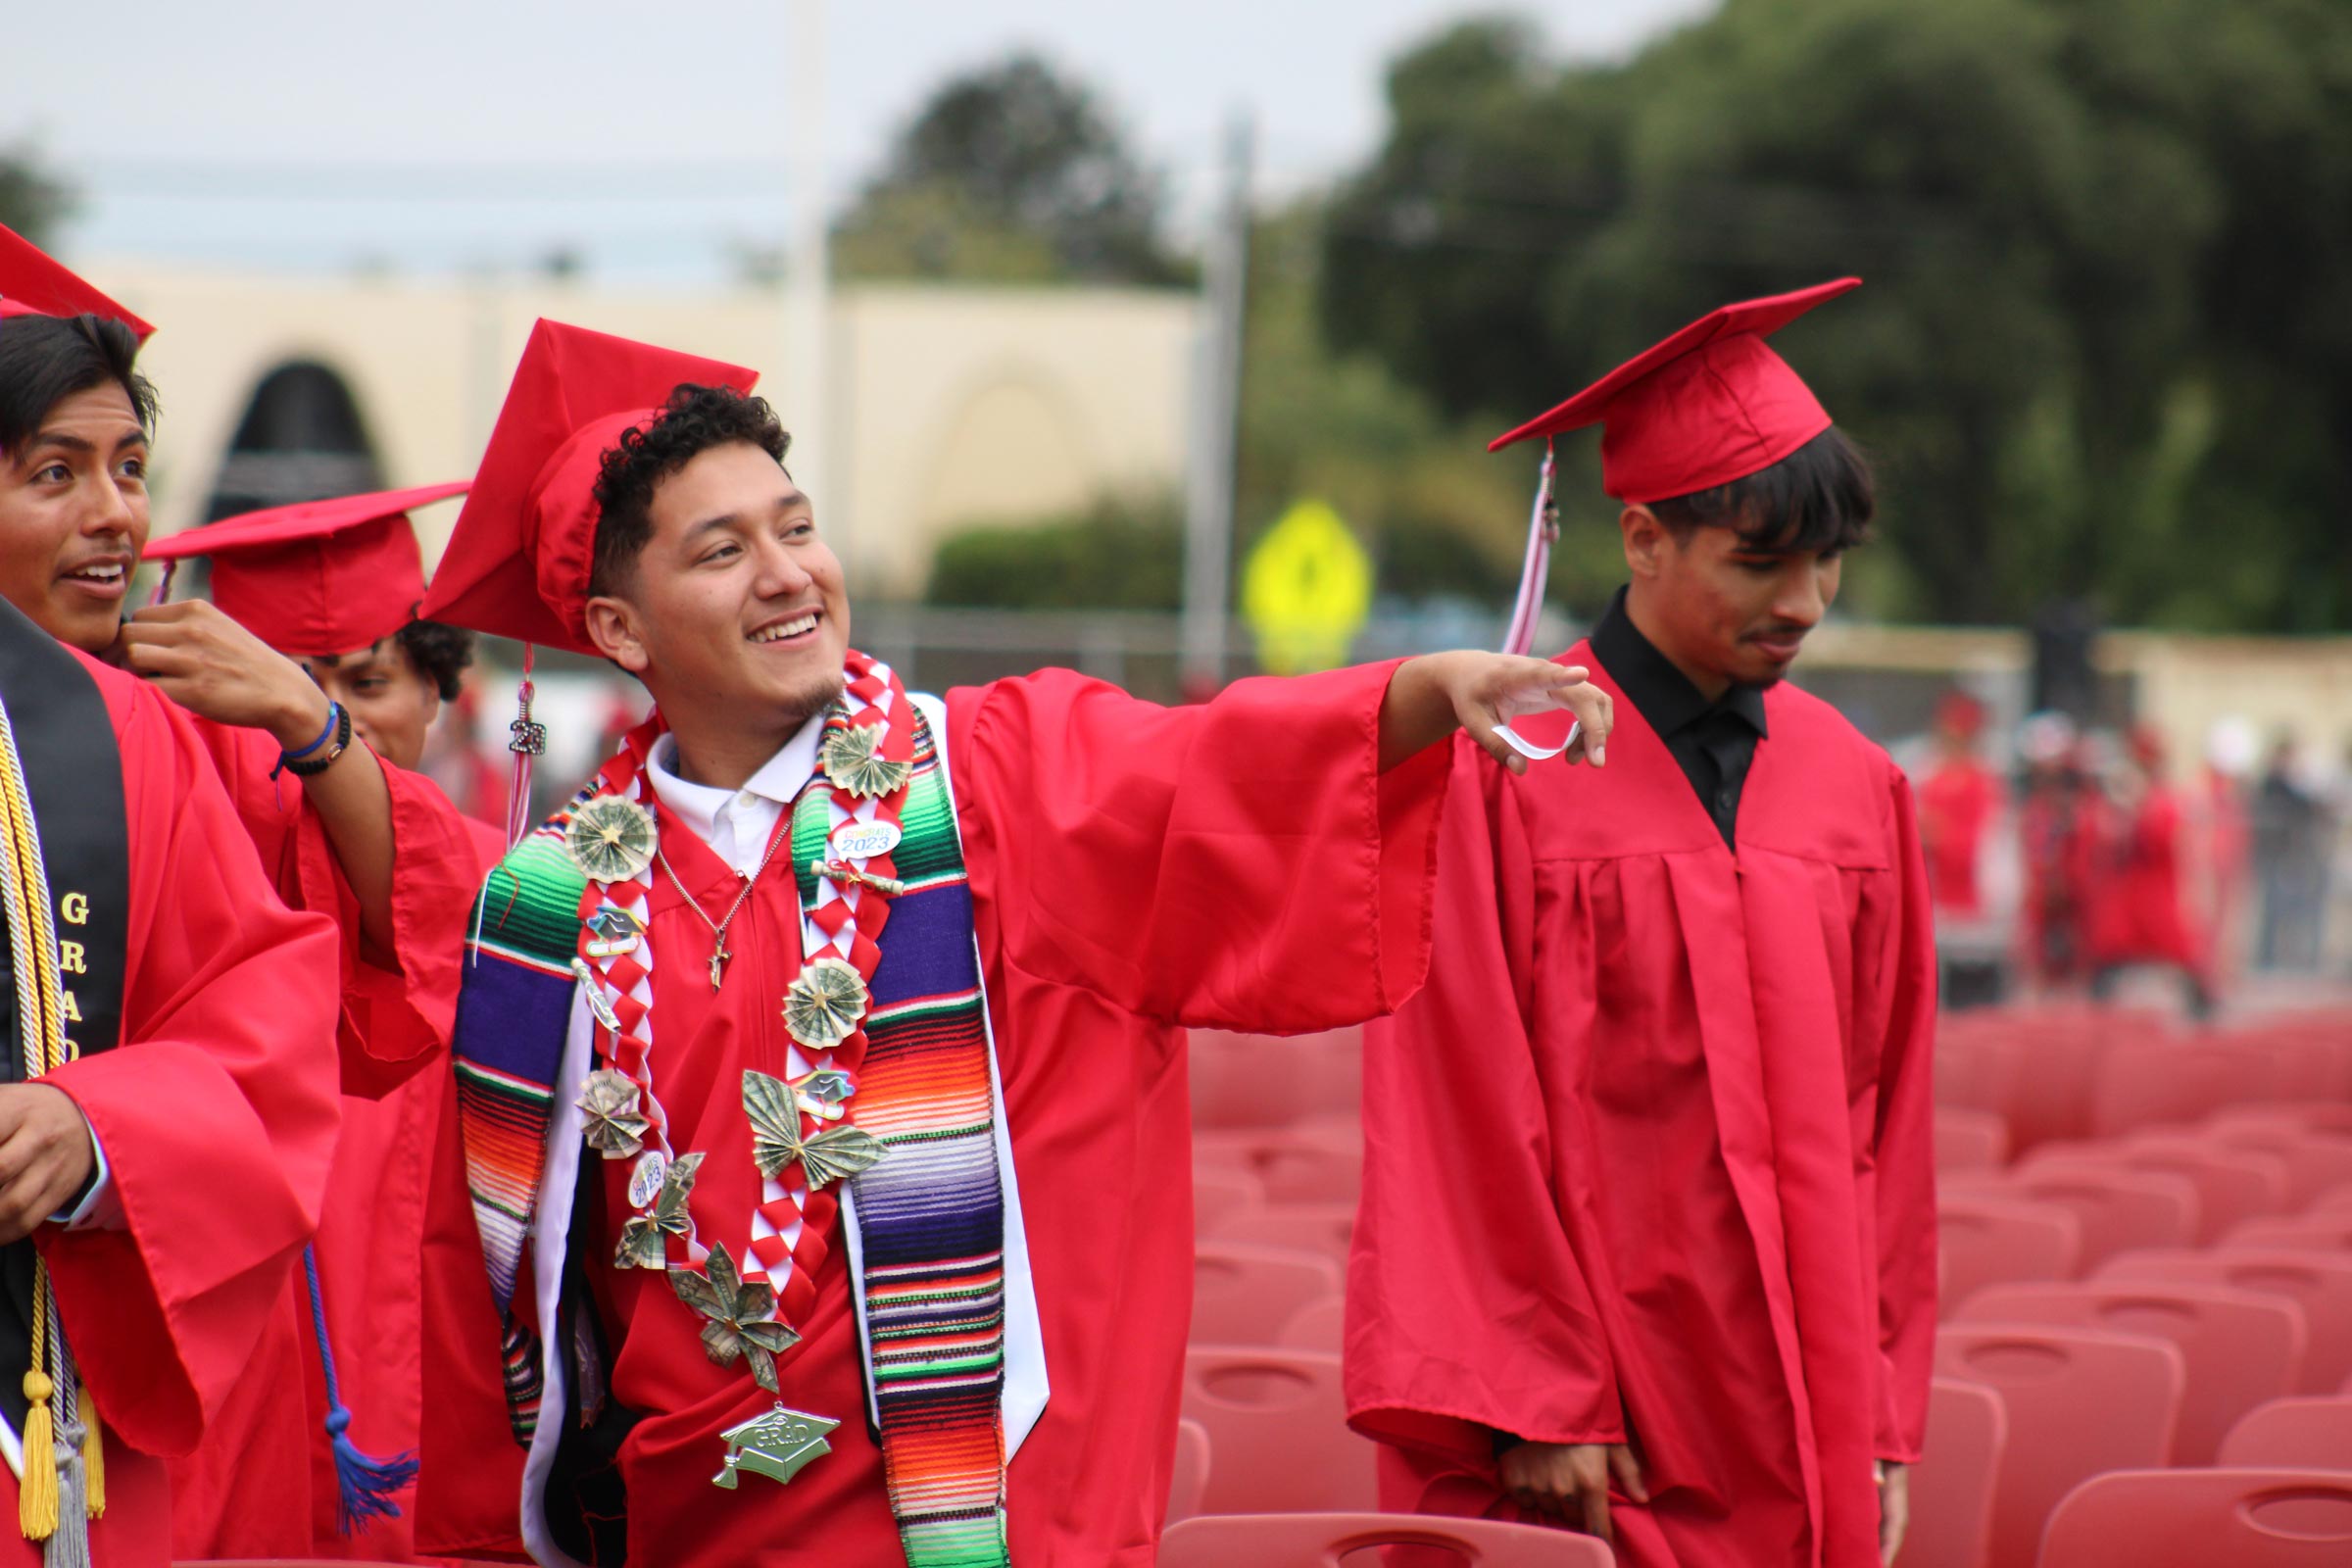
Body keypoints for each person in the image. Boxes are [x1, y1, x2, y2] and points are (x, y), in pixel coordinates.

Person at [408, 318, 1614, 1568]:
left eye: (798, 528)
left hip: (983, 1522)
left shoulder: (991, 784)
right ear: (620, 631)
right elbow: (487, 1291)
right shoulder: (546, 911)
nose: (787, 574)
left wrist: (1420, 694)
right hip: (685, 1526)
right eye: (724, 550)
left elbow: (1208, 772)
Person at [1347, 279, 1937, 1568]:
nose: (1806, 601)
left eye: (1827, 560)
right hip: (1603, 1421)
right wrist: (1530, 1394)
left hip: (1810, 1393)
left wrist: (1884, 1412)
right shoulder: (1506, 770)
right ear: (1644, 537)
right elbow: (1452, 1103)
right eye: (1760, 562)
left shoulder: (1856, 786)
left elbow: (1890, 1120)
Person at [0, 225, 487, 1557]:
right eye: (58, 471)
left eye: (129, 469)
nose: (114, 511)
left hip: (139, 1346)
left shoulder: (167, 747)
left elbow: (363, 980)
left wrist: (302, 725)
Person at [137, 488, 510, 1558]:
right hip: (219, 1433)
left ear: (437, 690)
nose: (310, 709)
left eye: (366, 682)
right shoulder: (174, 887)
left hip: (441, 1416)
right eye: (286, 678)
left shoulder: (505, 894)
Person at [2085, 724, 2214, 1016]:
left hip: (2157, 892)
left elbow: (2164, 839)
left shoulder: (2164, 800)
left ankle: (2202, 1007)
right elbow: (2102, 843)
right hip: (2129, 895)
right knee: (2108, 961)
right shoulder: (2122, 796)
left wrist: (2137, 810)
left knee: (2182, 956)